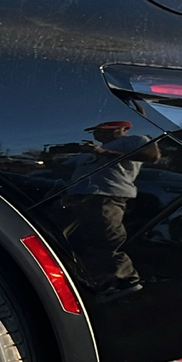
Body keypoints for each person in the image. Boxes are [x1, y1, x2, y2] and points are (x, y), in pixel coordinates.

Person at [65, 120, 160, 302]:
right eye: (96, 131)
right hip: (77, 196)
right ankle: (94, 280)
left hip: (106, 195)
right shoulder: (92, 151)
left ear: (122, 130)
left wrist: (104, 153)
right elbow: (62, 166)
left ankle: (124, 281)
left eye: (104, 131)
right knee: (76, 239)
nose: (98, 134)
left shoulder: (134, 140)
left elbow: (152, 156)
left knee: (104, 238)